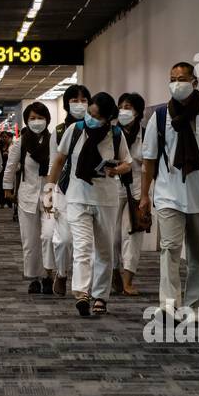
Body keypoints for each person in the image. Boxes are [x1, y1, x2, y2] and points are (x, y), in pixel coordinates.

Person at [138, 62, 199, 318]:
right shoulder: (160, 117)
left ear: (194, 81)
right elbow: (148, 160)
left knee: (197, 255)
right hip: (169, 194)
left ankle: (194, 306)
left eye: (181, 78)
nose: (176, 83)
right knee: (169, 249)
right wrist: (145, 195)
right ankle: (169, 306)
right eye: (172, 79)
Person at [44, 92, 131, 317]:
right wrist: (49, 188)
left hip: (106, 198)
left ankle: (100, 296)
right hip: (77, 196)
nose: (91, 118)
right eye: (90, 113)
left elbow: (127, 163)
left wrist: (116, 169)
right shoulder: (75, 130)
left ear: (107, 118)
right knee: (82, 246)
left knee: (104, 250)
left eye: (96, 116)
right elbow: (60, 159)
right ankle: (82, 292)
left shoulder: (116, 134)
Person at [2, 102, 58, 294]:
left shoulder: (54, 141)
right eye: (32, 118)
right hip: (27, 195)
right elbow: (11, 165)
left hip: (50, 195)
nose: (36, 122)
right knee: (30, 240)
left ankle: (49, 275)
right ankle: (34, 277)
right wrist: (7, 187)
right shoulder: (21, 142)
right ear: (26, 120)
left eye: (40, 118)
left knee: (49, 236)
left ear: (47, 120)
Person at [46, 83, 91, 297]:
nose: (79, 105)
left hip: (88, 192)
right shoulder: (59, 131)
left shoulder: (97, 129)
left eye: (83, 100)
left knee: (83, 242)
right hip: (64, 190)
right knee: (63, 239)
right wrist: (49, 191)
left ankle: (83, 286)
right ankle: (62, 273)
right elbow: (54, 162)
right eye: (75, 100)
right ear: (66, 104)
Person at [112, 93, 147, 297]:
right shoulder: (111, 133)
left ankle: (128, 280)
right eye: (121, 106)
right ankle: (114, 272)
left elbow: (149, 164)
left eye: (129, 107)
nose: (124, 111)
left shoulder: (146, 133)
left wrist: (146, 195)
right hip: (113, 186)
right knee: (113, 236)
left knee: (133, 233)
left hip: (137, 187)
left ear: (138, 112)